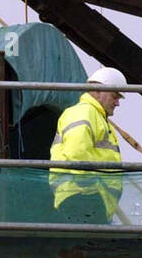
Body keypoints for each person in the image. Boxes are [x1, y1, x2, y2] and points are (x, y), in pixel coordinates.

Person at [49, 67, 126, 224]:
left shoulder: (94, 115)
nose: (117, 103)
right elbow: (76, 152)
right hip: (83, 195)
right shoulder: (85, 112)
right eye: (115, 96)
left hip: (85, 195)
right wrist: (90, 187)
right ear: (97, 91)